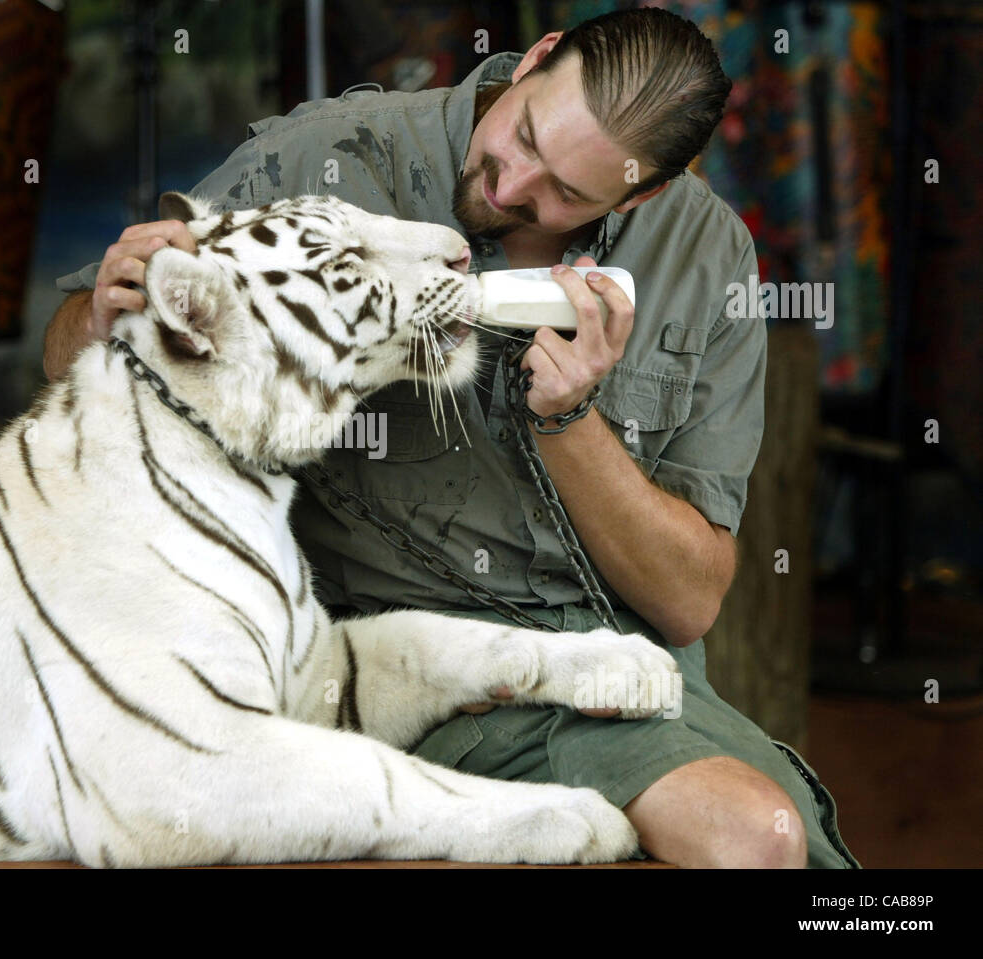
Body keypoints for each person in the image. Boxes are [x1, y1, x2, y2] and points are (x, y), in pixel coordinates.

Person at [43, 7, 860, 869]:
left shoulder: (704, 253)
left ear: (643, 192)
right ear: (538, 59)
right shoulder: (335, 159)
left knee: (773, 843)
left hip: (604, 665)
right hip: (383, 662)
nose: (513, 191)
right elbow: (79, 373)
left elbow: (687, 602)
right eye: (526, 137)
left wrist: (568, 419)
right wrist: (105, 311)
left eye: (567, 192)